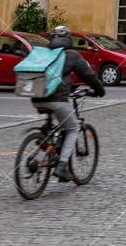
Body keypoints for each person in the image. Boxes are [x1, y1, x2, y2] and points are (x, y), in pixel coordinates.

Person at [35, 26, 105, 180]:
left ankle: (45, 139)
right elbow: (88, 75)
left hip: (36, 97)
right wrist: (99, 90)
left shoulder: (45, 53)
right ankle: (62, 165)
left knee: (57, 122)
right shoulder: (71, 54)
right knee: (73, 128)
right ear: (68, 38)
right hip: (57, 98)